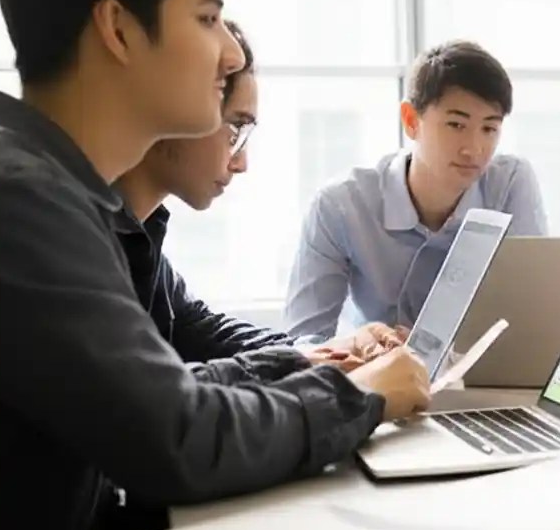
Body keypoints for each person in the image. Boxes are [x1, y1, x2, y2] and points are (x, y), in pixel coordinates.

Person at [0, 0, 428, 530]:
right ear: (118, 29)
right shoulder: (18, 198)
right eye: (207, 17)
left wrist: (313, 367)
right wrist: (360, 399)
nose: (228, 54)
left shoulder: (52, 189)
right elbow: (176, 439)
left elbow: (156, 396)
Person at [113, 20, 408, 381]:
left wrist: (321, 354)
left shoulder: (140, 227)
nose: (242, 163)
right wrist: (336, 384)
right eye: (235, 128)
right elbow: (155, 395)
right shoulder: (84, 234)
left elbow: (198, 328)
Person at [284, 39, 547, 341]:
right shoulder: (340, 205)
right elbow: (302, 342)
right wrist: (357, 352)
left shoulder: (510, 184)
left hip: (477, 378)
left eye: (489, 129)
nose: (474, 149)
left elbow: (532, 315)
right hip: (374, 376)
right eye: (456, 125)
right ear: (411, 121)